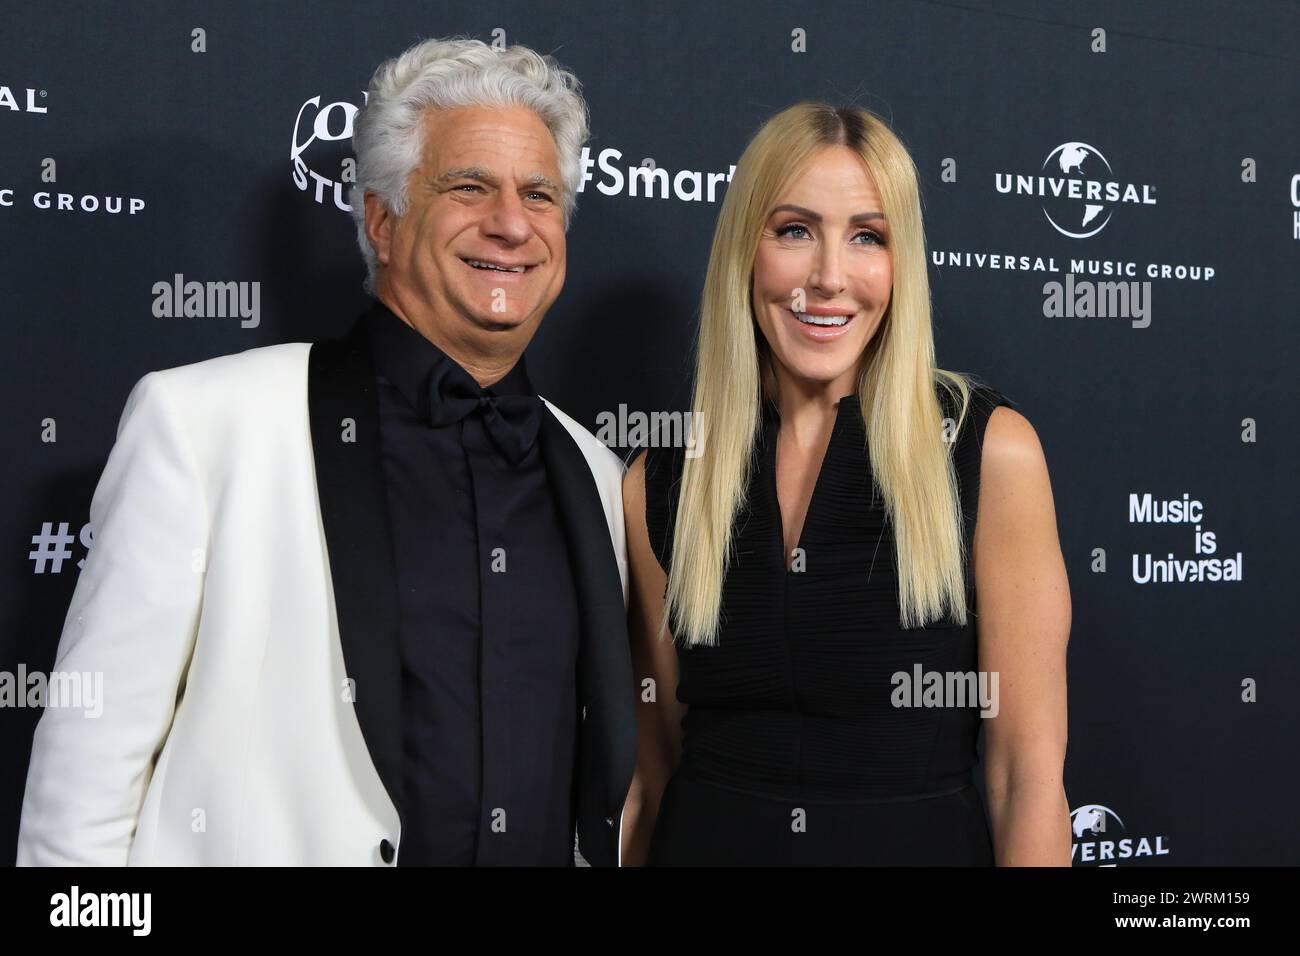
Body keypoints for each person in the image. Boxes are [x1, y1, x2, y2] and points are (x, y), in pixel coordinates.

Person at [17, 37, 634, 867]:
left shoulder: (597, 476)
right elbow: (85, 779)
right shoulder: (204, 426)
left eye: (540, 195)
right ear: (382, 220)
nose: (513, 224)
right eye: (468, 187)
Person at [620, 102, 1072, 866]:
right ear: (745, 251)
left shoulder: (989, 452)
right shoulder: (659, 478)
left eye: (868, 237)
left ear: (901, 266)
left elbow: (1025, 779)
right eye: (794, 230)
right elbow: (656, 772)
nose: (829, 278)